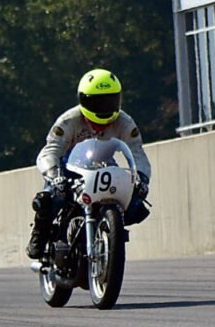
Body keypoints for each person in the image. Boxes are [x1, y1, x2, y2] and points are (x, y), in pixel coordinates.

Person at [25, 68, 152, 260]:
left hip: (103, 163)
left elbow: (138, 154)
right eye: (98, 102)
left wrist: (142, 179)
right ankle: (39, 237)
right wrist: (54, 176)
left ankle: (108, 232)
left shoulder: (125, 123)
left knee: (136, 205)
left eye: (110, 101)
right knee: (49, 199)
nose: (105, 108)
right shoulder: (68, 121)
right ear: (84, 100)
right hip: (69, 167)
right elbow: (49, 152)